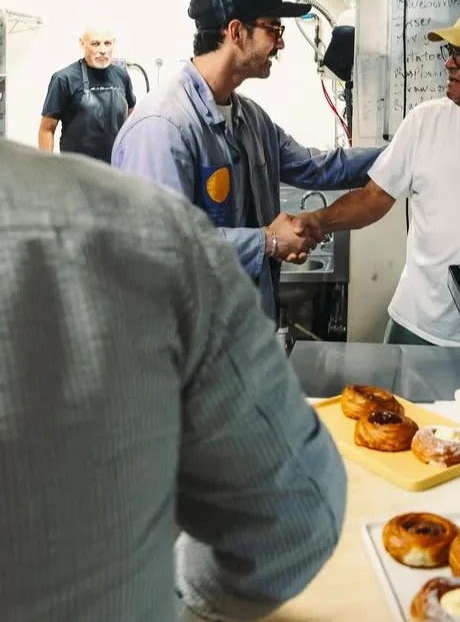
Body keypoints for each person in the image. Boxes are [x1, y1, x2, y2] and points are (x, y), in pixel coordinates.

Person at [0, 137, 346, 621]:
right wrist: (174, 591)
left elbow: (316, 165)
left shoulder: (250, 123)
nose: (281, 53)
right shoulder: (142, 217)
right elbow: (292, 521)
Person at [112, 0, 381, 319]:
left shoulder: (250, 119)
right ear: (236, 32)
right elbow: (161, 247)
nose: (281, 42)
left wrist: (407, 152)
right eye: (274, 29)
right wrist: (268, 241)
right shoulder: (162, 127)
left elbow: (316, 167)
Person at [295, 1, 460, 346]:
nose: (449, 63)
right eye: (451, 51)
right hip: (418, 324)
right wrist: (316, 222)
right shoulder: (425, 121)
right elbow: (374, 198)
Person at [38, 24, 136, 162]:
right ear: (82, 44)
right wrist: (47, 167)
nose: (102, 50)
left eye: (107, 43)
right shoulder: (64, 79)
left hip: (116, 169)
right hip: (77, 172)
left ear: (114, 43)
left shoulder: (122, 76)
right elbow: (46, 129)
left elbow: (131, 118)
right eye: (95, 44)